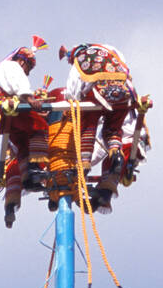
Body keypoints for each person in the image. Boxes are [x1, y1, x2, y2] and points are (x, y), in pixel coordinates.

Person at [58, 43, 137, 213]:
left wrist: (71, 106)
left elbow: (73, 91)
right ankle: (115, 150)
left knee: (88, 119)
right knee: (113, 128)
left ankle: (84, 162)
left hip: (101, 92)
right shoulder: (111, 51)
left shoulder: (79, 61)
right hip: (125, 93)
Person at [0, 37, 49, 227]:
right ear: (22, 61)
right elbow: (19, 83)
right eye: (29, 67)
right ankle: (36, 169)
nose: (28, 72)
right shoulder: (11, 67)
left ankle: (28, 177)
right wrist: (30, 99)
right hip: (6, 109)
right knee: (39, 126)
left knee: (22, 142)